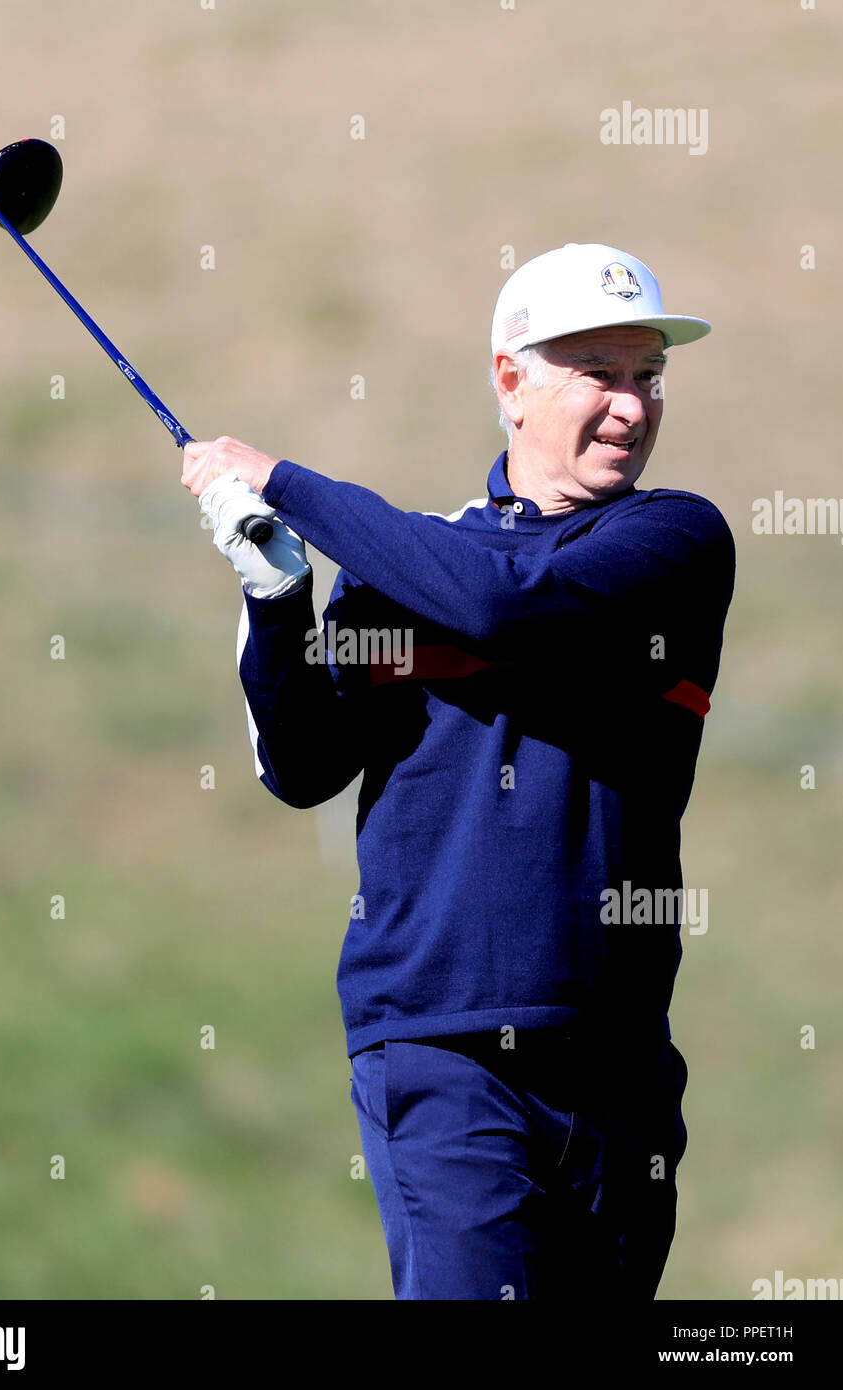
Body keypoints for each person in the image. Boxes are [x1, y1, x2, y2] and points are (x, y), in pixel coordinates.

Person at [180, 242, 736, 1300]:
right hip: (444, 1049)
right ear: (509, 379)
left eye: (647, 377)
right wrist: (276, 604)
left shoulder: (674, 541)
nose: (630, 406)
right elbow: (302, 767)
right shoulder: (398, 572)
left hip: (618, 1065)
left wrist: (285, 483)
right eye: (599, 373)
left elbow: (504, 601)